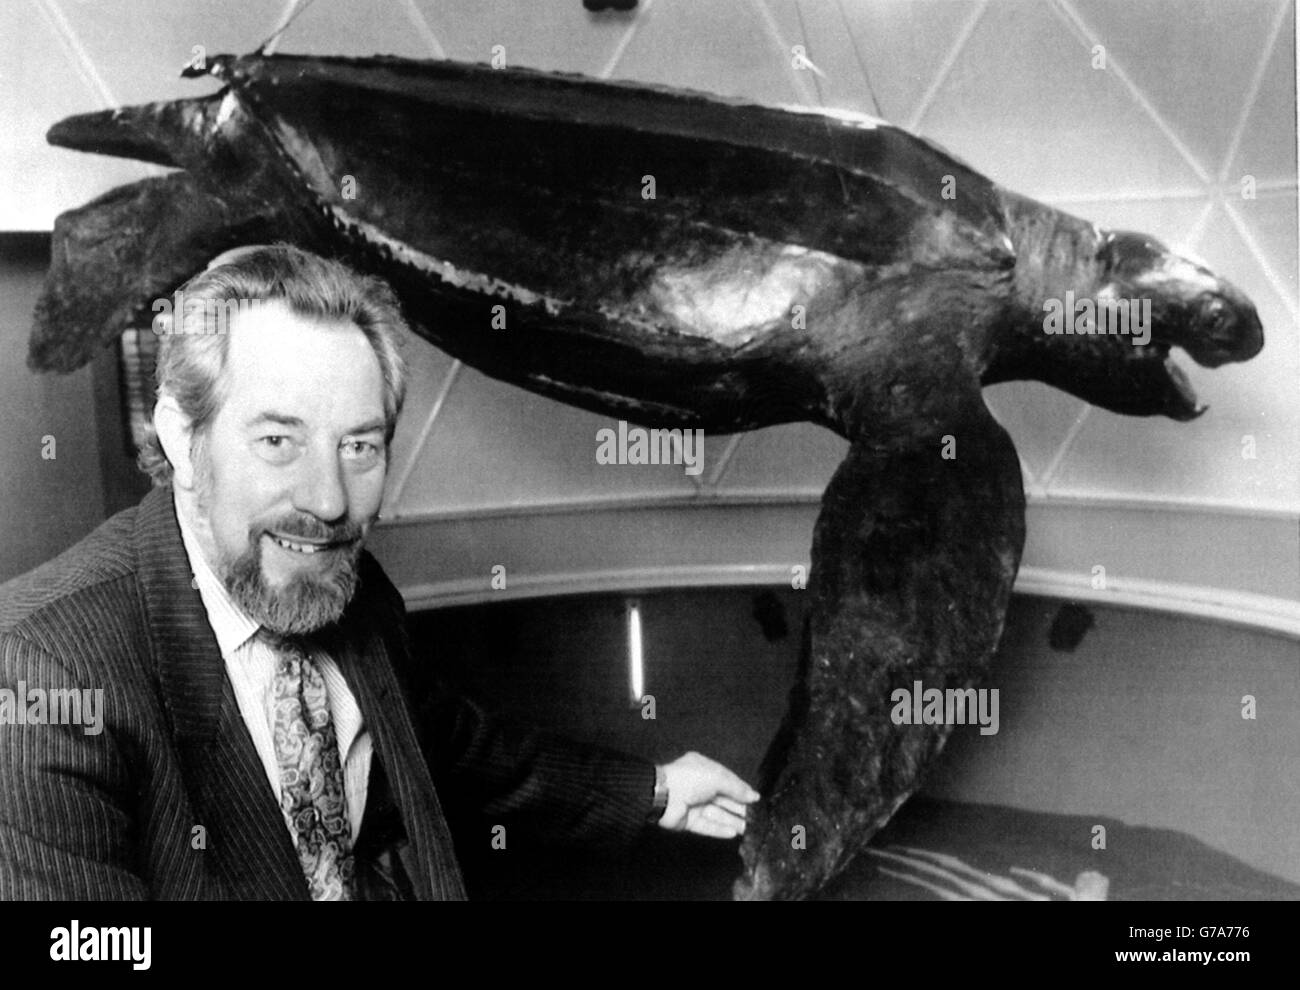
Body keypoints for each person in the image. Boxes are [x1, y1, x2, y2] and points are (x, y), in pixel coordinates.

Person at [0, 244, 758, 900]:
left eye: (359, 447)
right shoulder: (44, 670)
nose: (329, 503)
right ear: (179, 437)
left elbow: (454, 748)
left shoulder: (356, 595)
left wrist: (656, 791)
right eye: (277, 441)